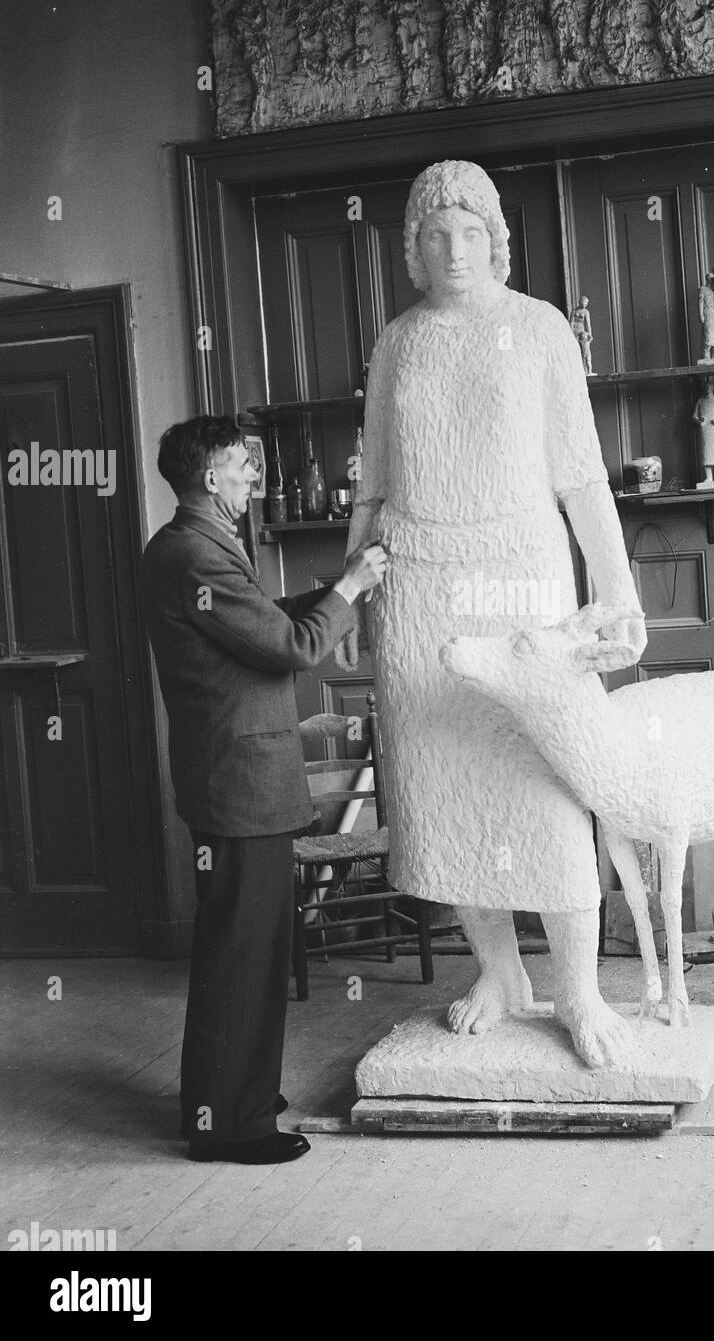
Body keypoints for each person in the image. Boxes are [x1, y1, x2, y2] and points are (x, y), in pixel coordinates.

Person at [335, 160, 647, 1069]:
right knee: (445, 788)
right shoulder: (398, 340)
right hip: (418, 579)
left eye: (470, 232)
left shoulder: (538, 328)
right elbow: (373, 479)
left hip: (520, 575)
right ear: (412, 251)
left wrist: (615, 586)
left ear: (497, 241)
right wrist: (350, 589)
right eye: (434, 235)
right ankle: (500, 973)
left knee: (538, 786)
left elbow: (580, 472)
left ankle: (579, 990)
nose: (453, 250)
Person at [140, 418, 386, 1164]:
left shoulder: (190, 544)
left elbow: (259, 622)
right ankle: (230, 1126)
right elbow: (289, 647)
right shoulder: (196, 554)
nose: (254, 475)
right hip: (239, 784)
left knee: (245, 951)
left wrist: (327, 592)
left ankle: (224, 1099)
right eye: (242, 465)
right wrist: (348, 588)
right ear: (209, 478)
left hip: (235, 778)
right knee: (242, 957)